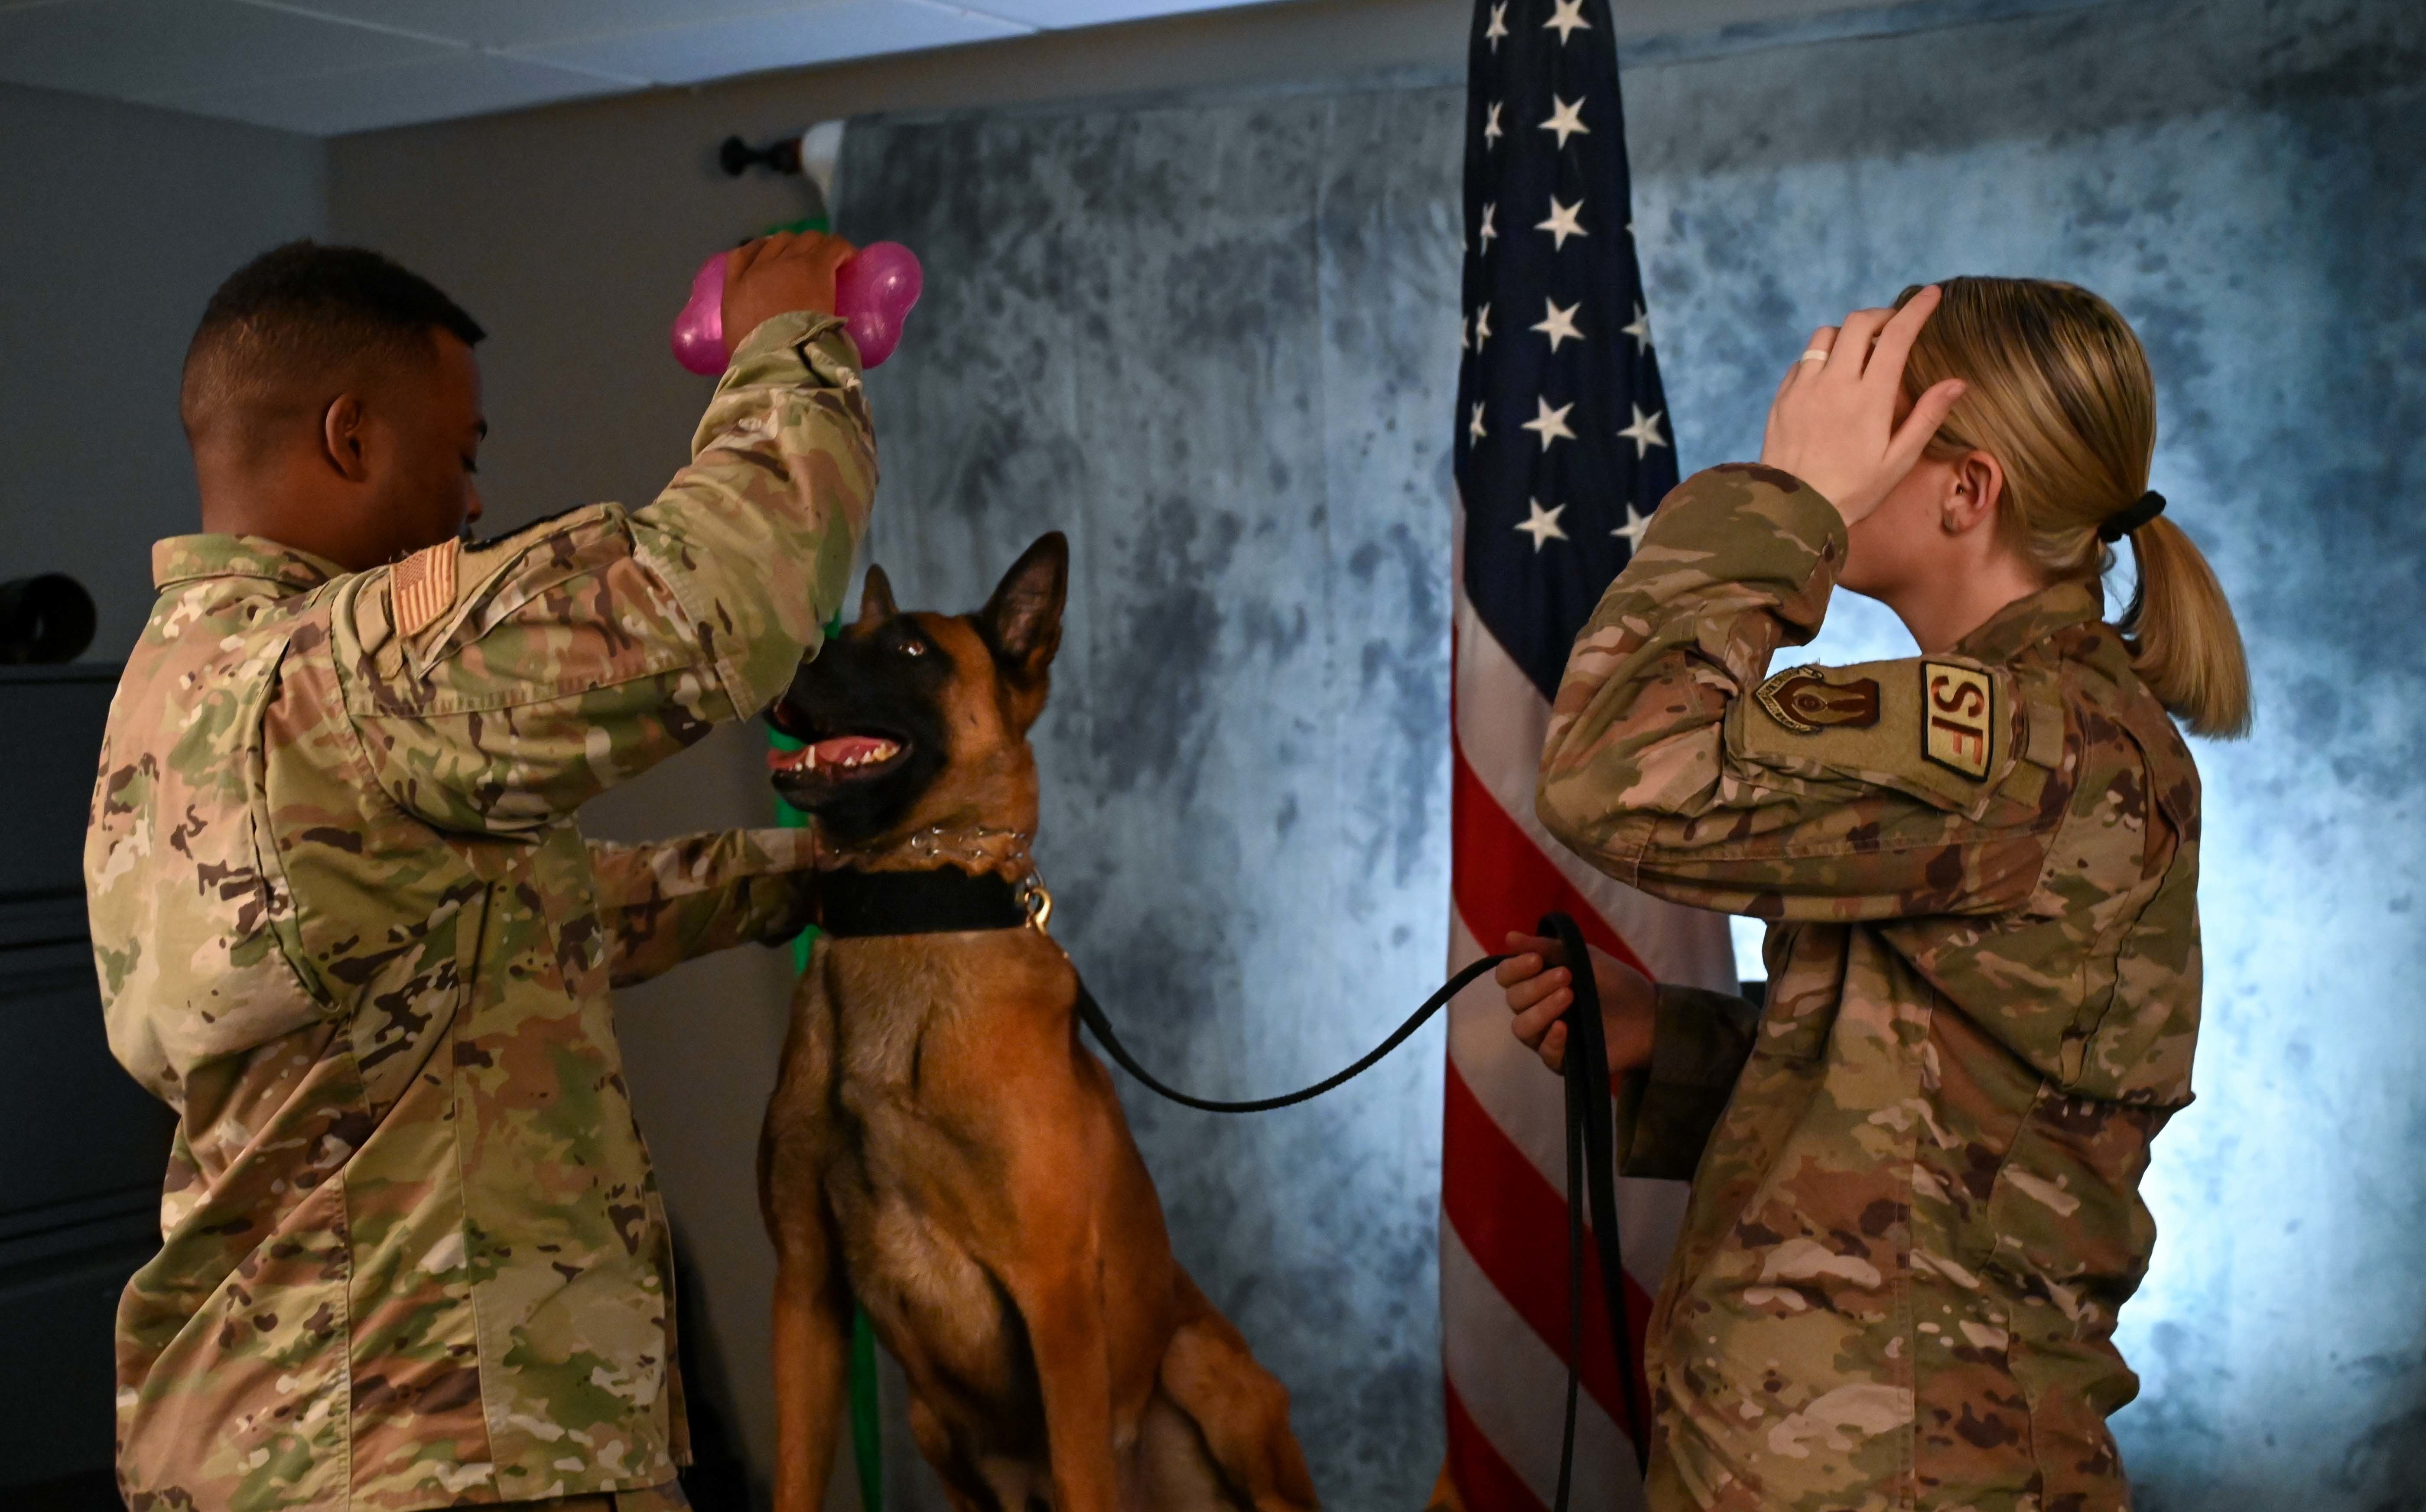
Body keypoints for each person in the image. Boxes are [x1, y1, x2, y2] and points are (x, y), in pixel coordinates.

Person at [86, 232, 874, 1512]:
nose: (471, 502)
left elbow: (496, 929)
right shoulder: (348, 677)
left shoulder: (171, 701)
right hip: (432, 1446)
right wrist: (788, 344)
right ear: (351, 436)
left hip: (272, 1448)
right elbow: (725, 599)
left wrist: (807, 870)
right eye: (462, 455)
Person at [1496, 279, 2247, 1509]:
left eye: (1884, 422)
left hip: (1894, 1474)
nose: (1841, 443)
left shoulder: (2010, 738)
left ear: (1969, 491)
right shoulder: (2044, 726)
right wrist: (1680, 1041)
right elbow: (1952, 1075)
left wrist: (1786, 503)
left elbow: (1606, 772)